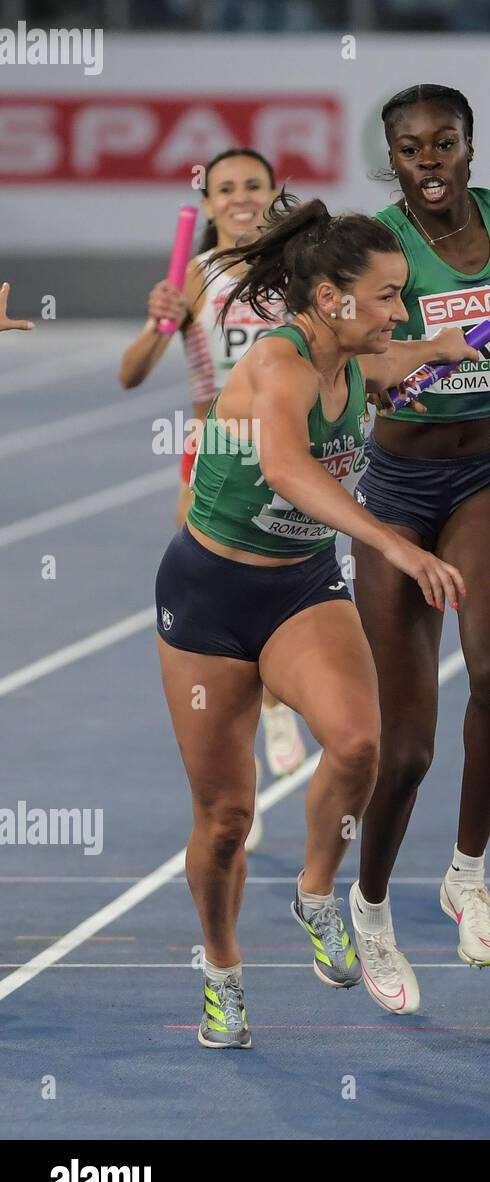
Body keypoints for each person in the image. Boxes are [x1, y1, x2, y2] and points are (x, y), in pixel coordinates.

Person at [153, 192, 478, 1047]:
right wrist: (398, 547)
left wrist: (449, 346)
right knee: (224, 821)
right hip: (210, 600)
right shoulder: (277, 365)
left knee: (361, 742)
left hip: (299, 590)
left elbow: (404, 357)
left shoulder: (359, 361)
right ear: (332, 299)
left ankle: (314, 892)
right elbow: (291, 471)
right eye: (386, 296)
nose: (398, 310)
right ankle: (222, 974)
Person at [348, 84, 490, 1011]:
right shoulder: (379, 246)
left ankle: (467, 874)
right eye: (409, 148)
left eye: (443, 144)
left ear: (471, 149)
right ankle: (371, 909)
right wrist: (387, 377)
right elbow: (358, 352)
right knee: (404, 750)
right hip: (398, 490)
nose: (428, 161)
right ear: (391, 160)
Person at [121, 150, 309, 833]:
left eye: (252, 186)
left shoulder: (299, 273)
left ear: (274, 193)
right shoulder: (194, 279)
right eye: (224, 189)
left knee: (284, 598)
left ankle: (279, 704)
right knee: (212, 621)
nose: (239, 198)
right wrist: (159, 321)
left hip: (292, 454)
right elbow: (131, 374)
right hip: (214, 453)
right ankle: (239, 780)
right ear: (206, 206)